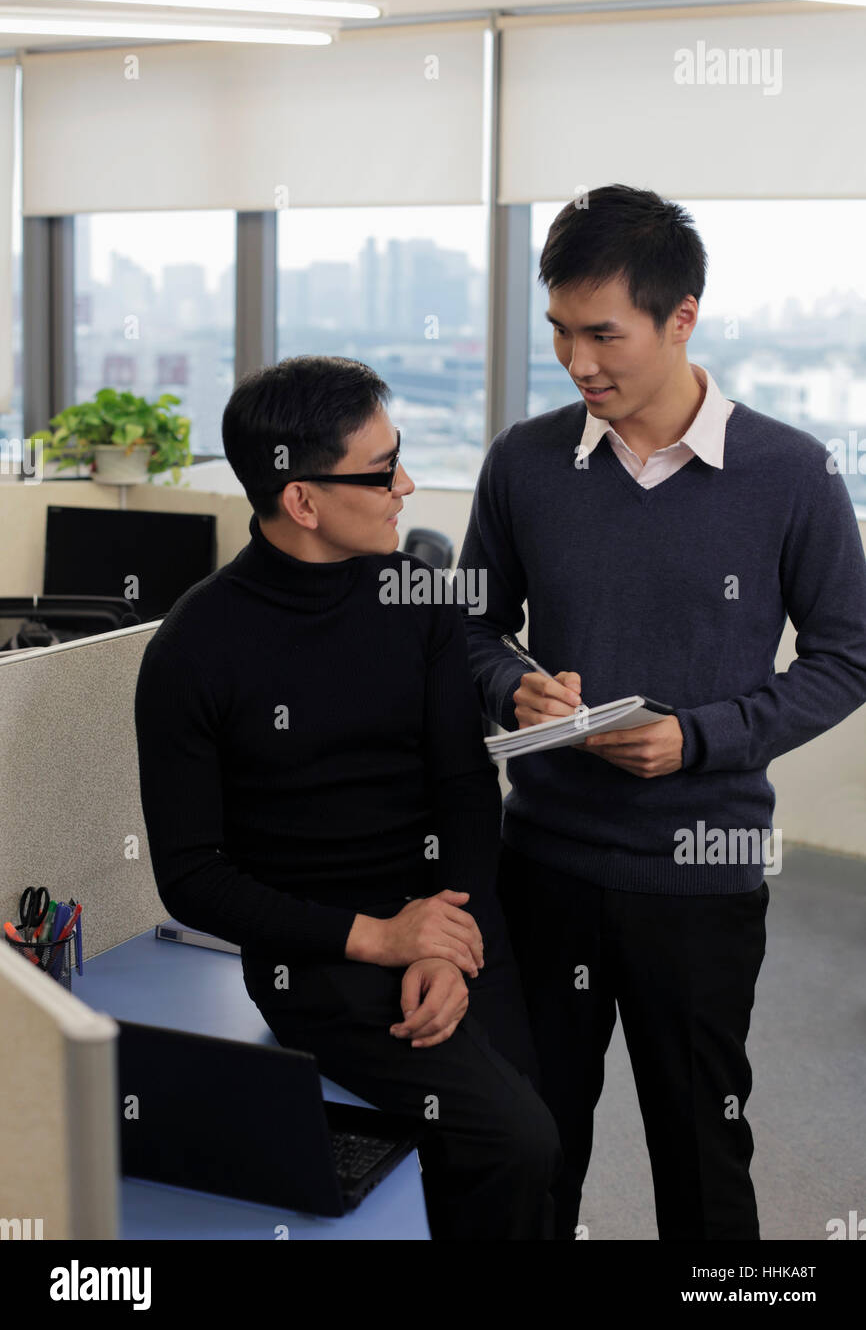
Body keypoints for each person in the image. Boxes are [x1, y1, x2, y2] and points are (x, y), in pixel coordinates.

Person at [457, 184, 866, 1241]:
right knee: (531, 1144)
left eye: (603, 334)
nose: (577, 361)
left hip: (699, 871)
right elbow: (464, 627)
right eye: (558, 331)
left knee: (699, 1150)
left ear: (680, 317)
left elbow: (847, 655)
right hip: (541, 866)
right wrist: (512, 682)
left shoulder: (789, 473)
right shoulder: (523, 461)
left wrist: (701, 735)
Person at [134, 354, 561, 1241]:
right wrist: (382, 938)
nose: (405, 486)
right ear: (301, 500)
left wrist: (447, 937)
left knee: (544, 1122)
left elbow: (463, 788)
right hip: (316, 951)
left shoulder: (420, 601)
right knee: (513, 1138)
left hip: (450, 913)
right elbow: (189, 876)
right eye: (381, 471)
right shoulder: (193, 648)